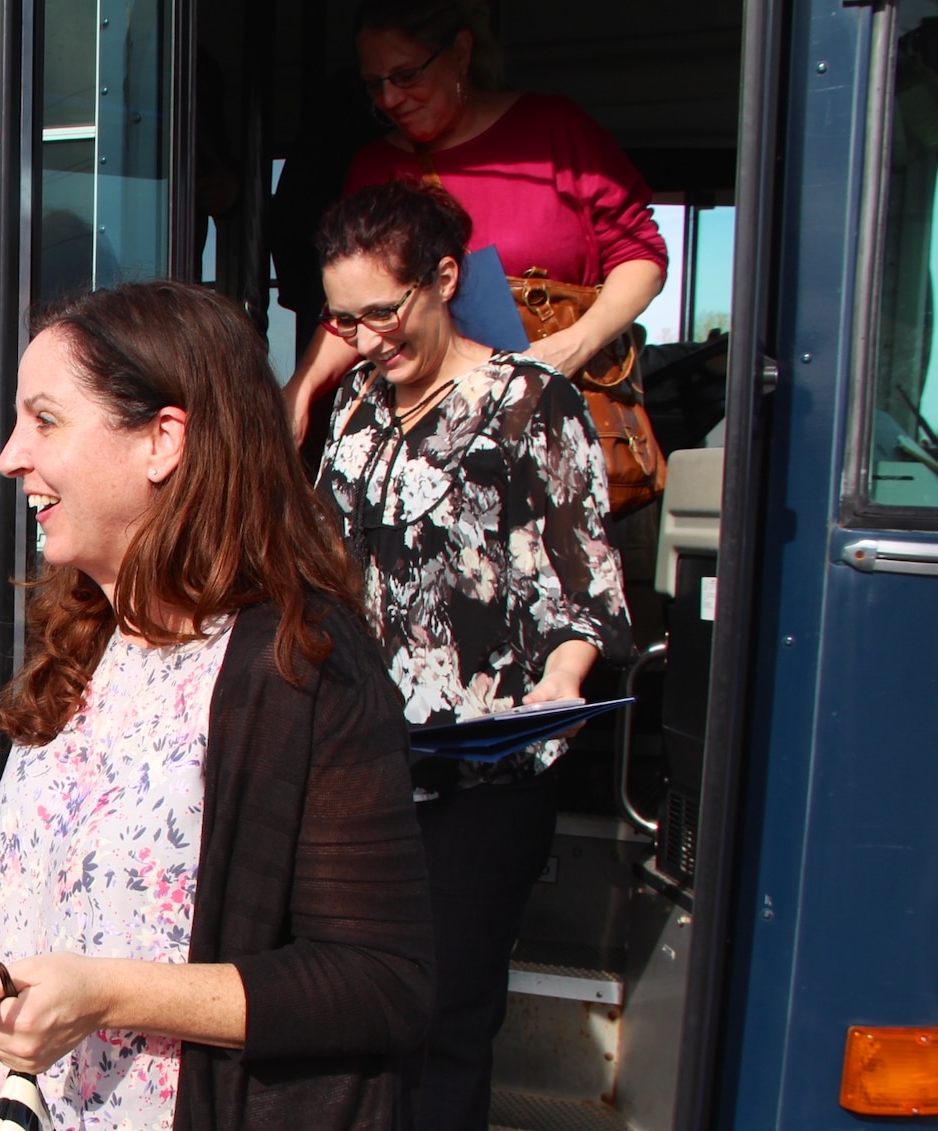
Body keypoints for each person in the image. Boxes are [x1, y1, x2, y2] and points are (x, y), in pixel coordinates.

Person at [0, 280, 434, 1130]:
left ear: (163, 440)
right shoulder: (87, 638)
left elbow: (382, 981)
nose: (10, 457)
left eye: (45, 421)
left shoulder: (301, 665)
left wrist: (110, 995)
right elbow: (82, 889)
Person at [311, 181, 633, 1129]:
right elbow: (323, 567)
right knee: (353, 1007)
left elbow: (580, 590)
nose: (366, 340)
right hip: (361, 766)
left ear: (445, 279)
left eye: (382, 312)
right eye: (345, 321)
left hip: (480, 778)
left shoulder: (534, 403)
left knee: (446, 1020)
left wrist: (560, 685)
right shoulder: (358, 406)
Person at [280, 0, 667, 442]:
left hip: (566, 414)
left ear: (461, 52)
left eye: (406, 75)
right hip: (441, 436)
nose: (389, 99)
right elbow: (356, 310)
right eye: (374, 84)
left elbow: (642, 256)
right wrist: (302, 388)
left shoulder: (555, 130)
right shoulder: (375, 167)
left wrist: (573, 346)